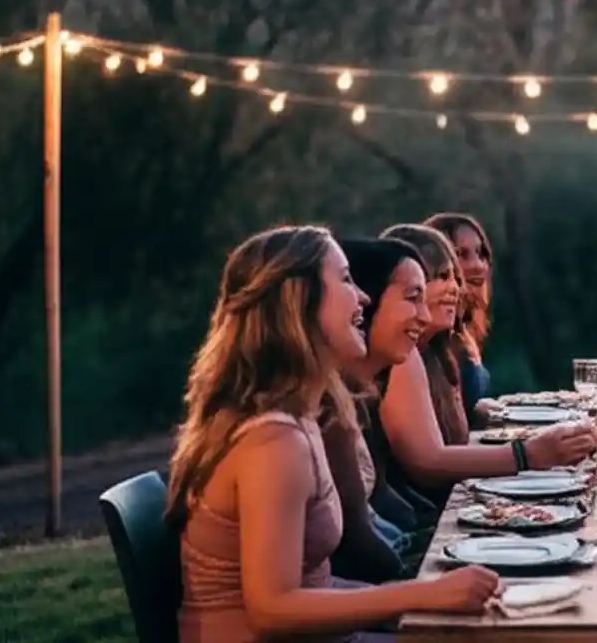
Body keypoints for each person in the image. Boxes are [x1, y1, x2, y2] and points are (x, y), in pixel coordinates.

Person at [166, 226, 499, 643]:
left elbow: (316, 584)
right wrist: (421, 594)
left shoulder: (301, 416)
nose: (362, 296)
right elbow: (273, 609)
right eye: (345, 280)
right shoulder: (273, 442)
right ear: (299, 304)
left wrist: (419, 599)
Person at [375, 224, 597, 510]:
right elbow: (428, 462)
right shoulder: (403, 357)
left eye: (455, 278)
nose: (455, 288)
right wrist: (527, 453)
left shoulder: (434, 354)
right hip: (425, 524)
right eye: (442, 276)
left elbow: (455, 437)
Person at [325, 238, 432, 583]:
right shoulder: (318, 411)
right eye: (413, 298)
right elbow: (352, 544)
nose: (426, 316)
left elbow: (387, 506)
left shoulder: (357, 394)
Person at [424, 213, 496, 429]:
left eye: (480, 253)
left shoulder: (464, 329)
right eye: (461, 254)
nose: (478, 265)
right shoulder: (425, 337)